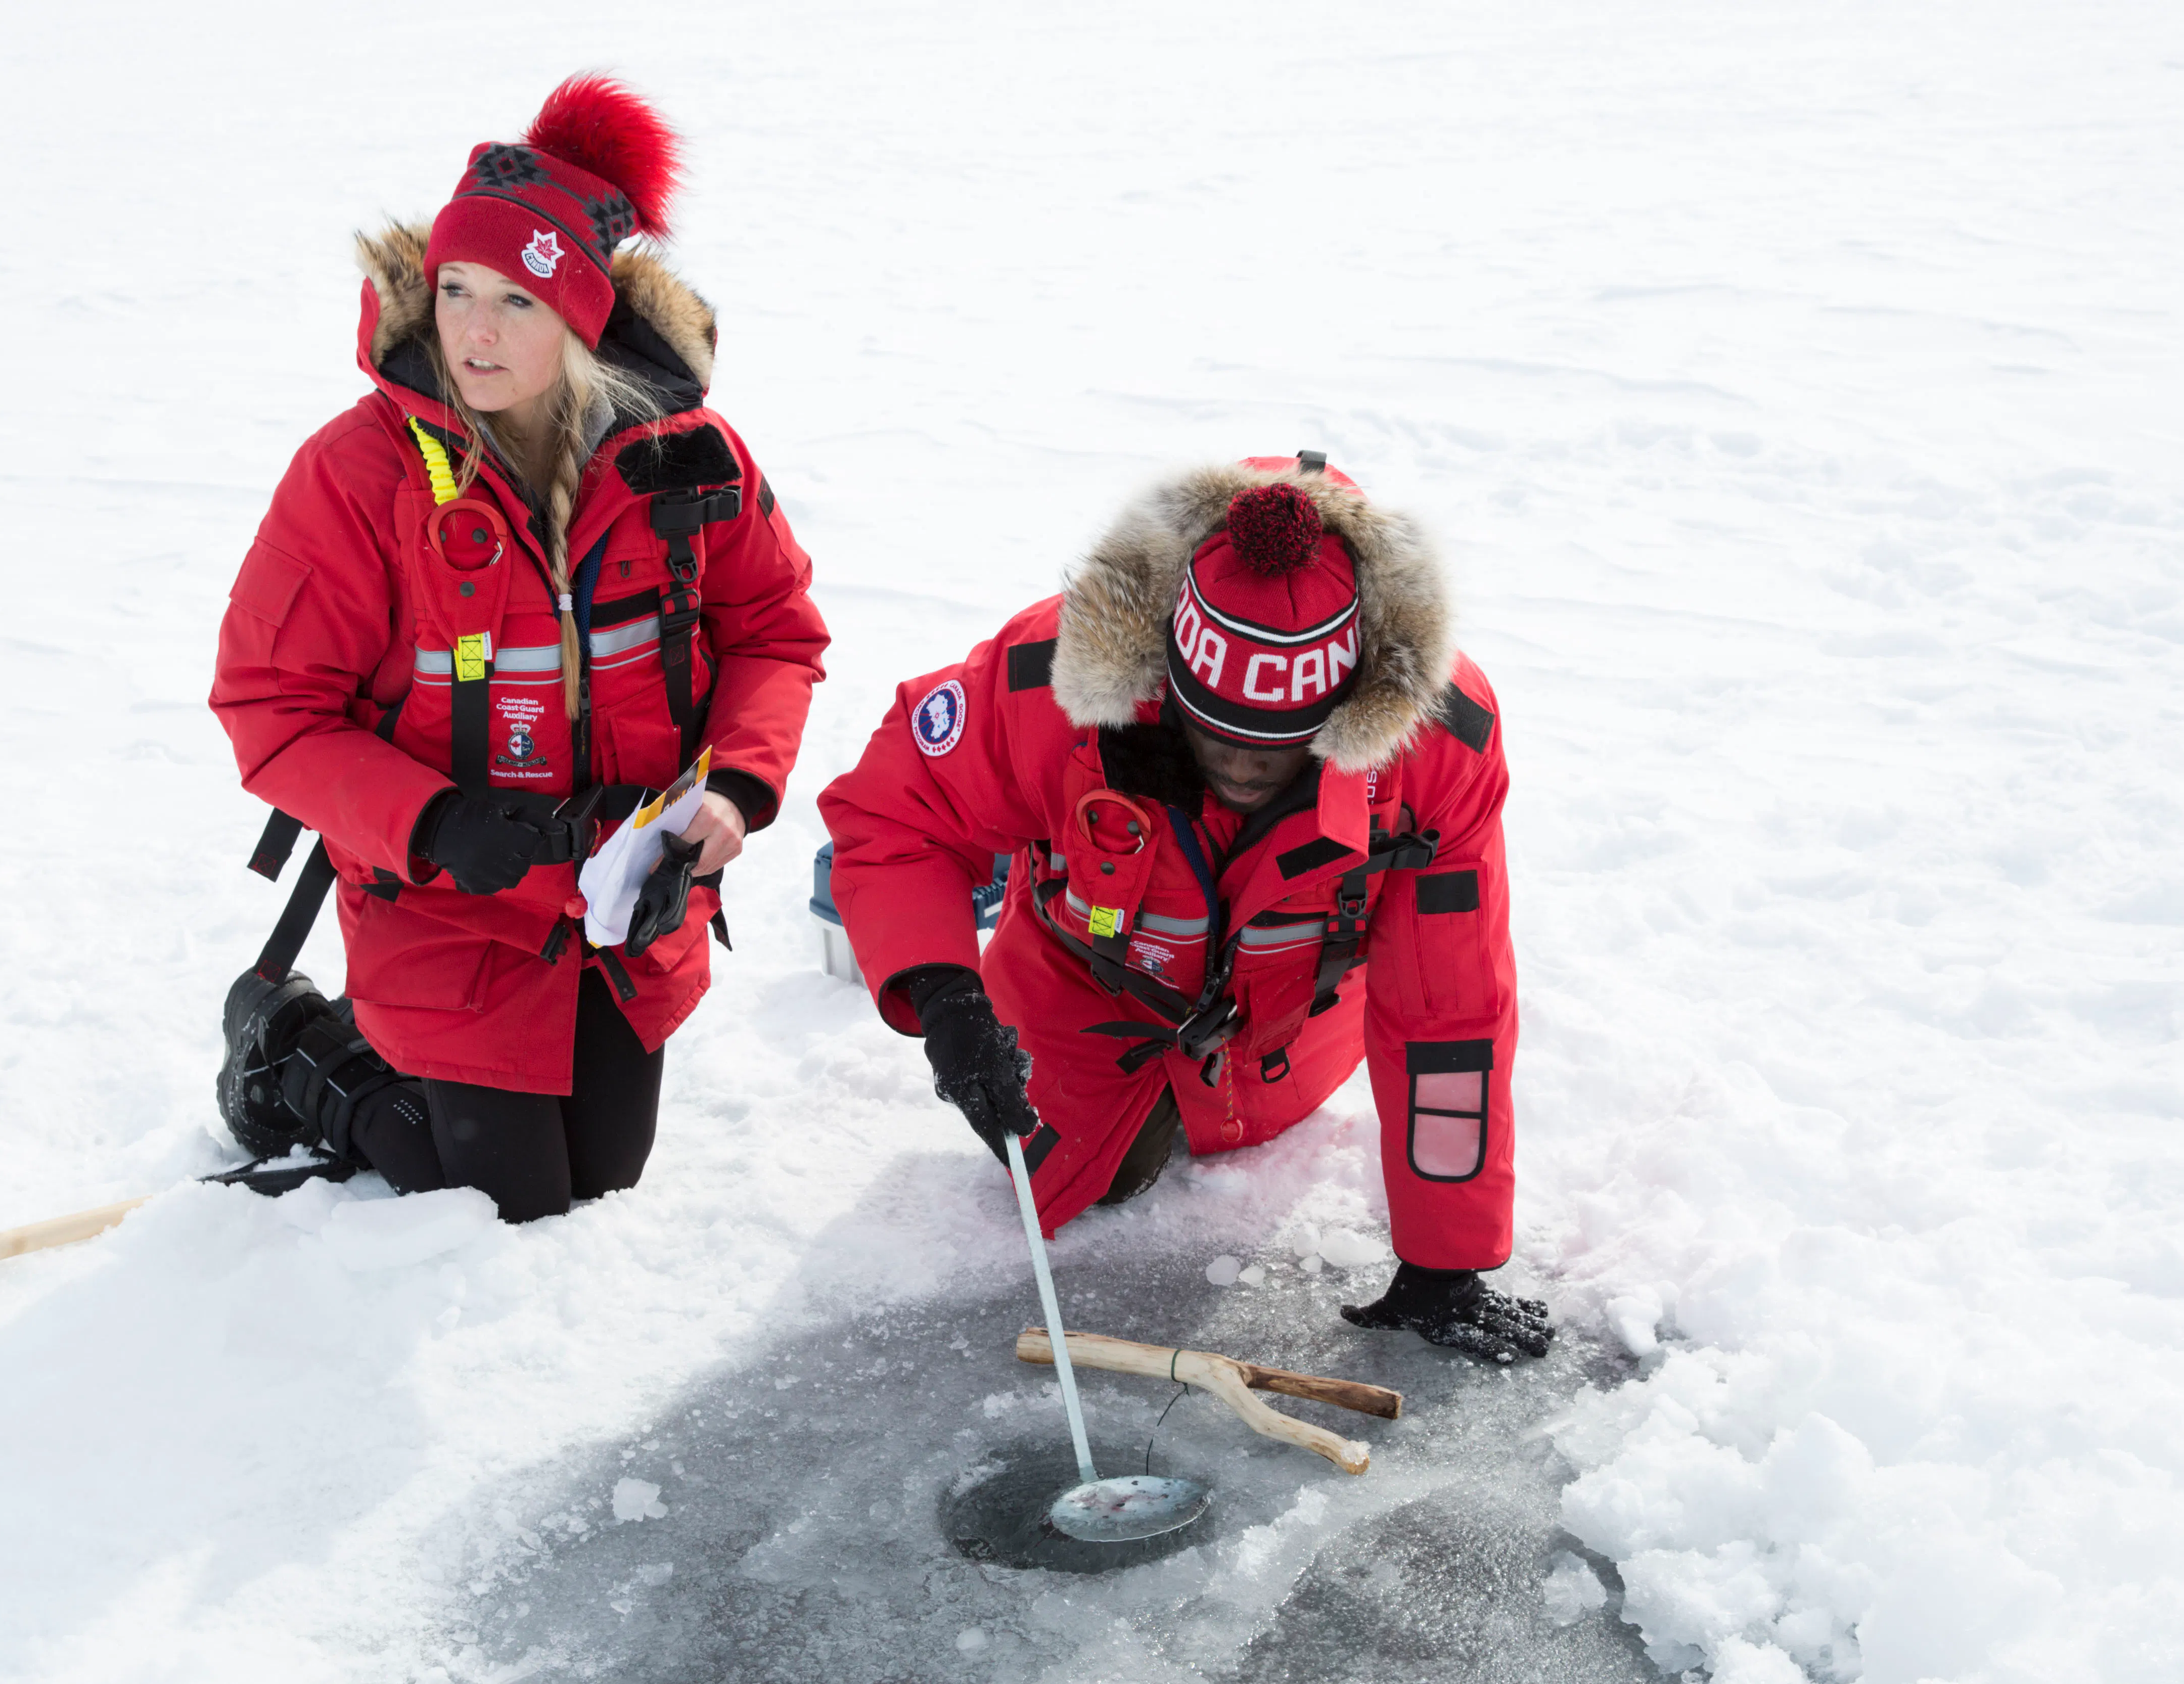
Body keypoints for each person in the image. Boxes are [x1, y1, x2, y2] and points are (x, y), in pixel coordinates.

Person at [210, 75, 829, 1221]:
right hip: (445, 903)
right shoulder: (359, 474)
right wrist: (436, 824)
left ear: (586, 319)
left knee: (604, 1180)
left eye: (518, 301)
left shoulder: (688, 459)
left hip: (623, 907)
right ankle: (295, 1048)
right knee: (499, 1203)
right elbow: (271, 708)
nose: (475, 331)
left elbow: (774, 636)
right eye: (454, 289)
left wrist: (740, 789)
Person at [818, 456, 1548, 1362]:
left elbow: (1452, 1014)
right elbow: (898, 814)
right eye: (1218, 737)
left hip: (1291, 1037)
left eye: (1275, 750)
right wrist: (943, 997)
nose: (1243, 768)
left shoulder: (1440, 746)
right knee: (1056, 1176)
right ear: (1163, 684)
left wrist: (1447, 1260)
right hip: (1079, 993)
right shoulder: (1049, 678)